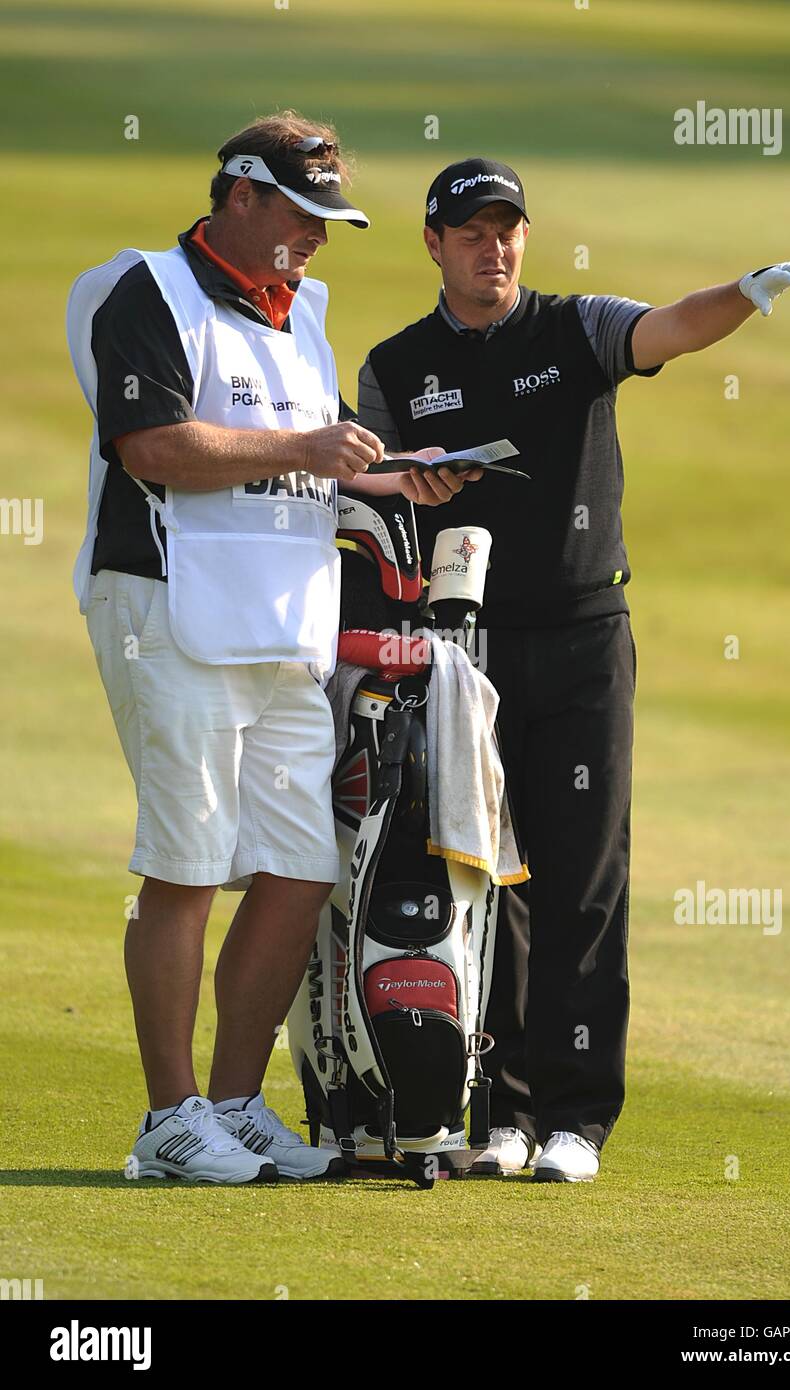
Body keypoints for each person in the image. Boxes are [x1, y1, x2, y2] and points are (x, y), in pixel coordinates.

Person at [357, 156, 790, 1183]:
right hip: (460, 648)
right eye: (471, 232)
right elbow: (363, 488)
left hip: (581, 635)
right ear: (433, 245)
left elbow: (662, 327)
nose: (493, 248)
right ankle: (501, 1113)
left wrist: (741, 297)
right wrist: (411, 489)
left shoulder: (570, 328)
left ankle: (573, 1120)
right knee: (485, 880)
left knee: (581, 875)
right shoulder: (396, 366)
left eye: (507, 230)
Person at [67, 113, 477, 1185]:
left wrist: (398, 470)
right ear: (239, 194)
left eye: (331, 220)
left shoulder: (302, 315)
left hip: (281, 627)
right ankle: (168, 1120)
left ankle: (238, 1104)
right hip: (170, 611)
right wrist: (309, 447)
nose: (321, 237)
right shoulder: (146, 292)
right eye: (305, 215)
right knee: (186, 868)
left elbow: (324, 458)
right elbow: (152, 445)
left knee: (297, 868)